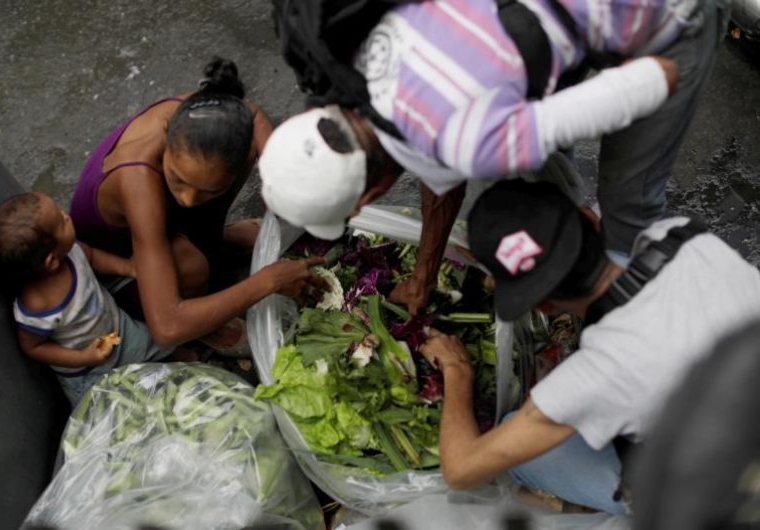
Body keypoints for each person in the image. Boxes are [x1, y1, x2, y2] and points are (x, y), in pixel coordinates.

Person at [259, 0, 729, 315]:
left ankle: (623, 310)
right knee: (532, 136)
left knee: (629, 200)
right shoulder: (356, 49)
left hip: (669, 20)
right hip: (538, 14)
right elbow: (440, 154)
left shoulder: (469, 142)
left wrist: (514, 128)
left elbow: (650, 82)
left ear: (370, 195)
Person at [417, 178, 760, 514]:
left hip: (726, 492)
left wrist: (456, 369)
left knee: (518, 436)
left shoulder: (596, 375)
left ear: (542, 307)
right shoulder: (680, 236)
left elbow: (461, 470)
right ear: (590, 219)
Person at [69, 56, 326, 350]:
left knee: (239, 156)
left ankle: (213, 243)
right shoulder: (137, 179)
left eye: (207, 190)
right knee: (192, 267)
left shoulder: (213, 111)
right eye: (177, 178)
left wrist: (276, 179)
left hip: (160, 226)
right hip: (116, 265)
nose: (189, 199)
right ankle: (203, 321)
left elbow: (252, 114)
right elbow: (166, 326)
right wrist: (268, 282)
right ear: (166, 134)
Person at [0, 192, 172, 405]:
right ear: (51, 261)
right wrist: (83, 358)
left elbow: (93, 256)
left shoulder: (72, 251)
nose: (67, 216)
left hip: (119, 330)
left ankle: (188, 358)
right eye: (61, 222)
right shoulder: (36, 307)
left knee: (162, 345)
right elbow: (34, 347)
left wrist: (127, 267)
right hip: (86, 370)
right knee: (102, 407)